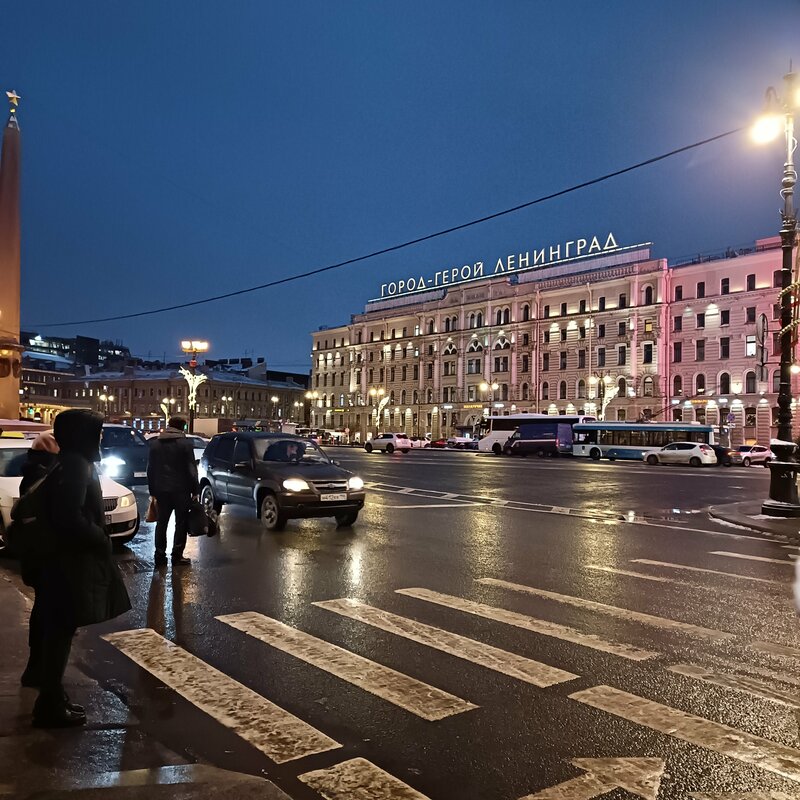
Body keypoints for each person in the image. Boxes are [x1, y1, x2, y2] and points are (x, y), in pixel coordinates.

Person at [31, 410, 131, 728]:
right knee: (60, 631)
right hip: (68, 563)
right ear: (81, 434)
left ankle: (52, 696)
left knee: (58, 629)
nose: (100, 438)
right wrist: (99, 537)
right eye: (97, 432)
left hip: (59, 561)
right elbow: (68, 516)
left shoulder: (69, 461)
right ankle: (48, 705)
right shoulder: (76, 465)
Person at [19, 431, 60, 690]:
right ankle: (39, 670)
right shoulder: (44, 474)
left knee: (43, 608)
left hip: (36, 554)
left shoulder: (33, 470)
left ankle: (36, 667)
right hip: (46, 553)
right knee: (48, 610)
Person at [147, 416, 199, 566]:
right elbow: (191, 469)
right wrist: (195, 490)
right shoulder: (184, 444)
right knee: (180, 523)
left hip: (161, 490)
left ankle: (159, 555)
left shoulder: (156, 444)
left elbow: (151, 469)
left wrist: (152, 490)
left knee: (161, 523)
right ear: (182, 428)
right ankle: (177, 555)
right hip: (181, 490)